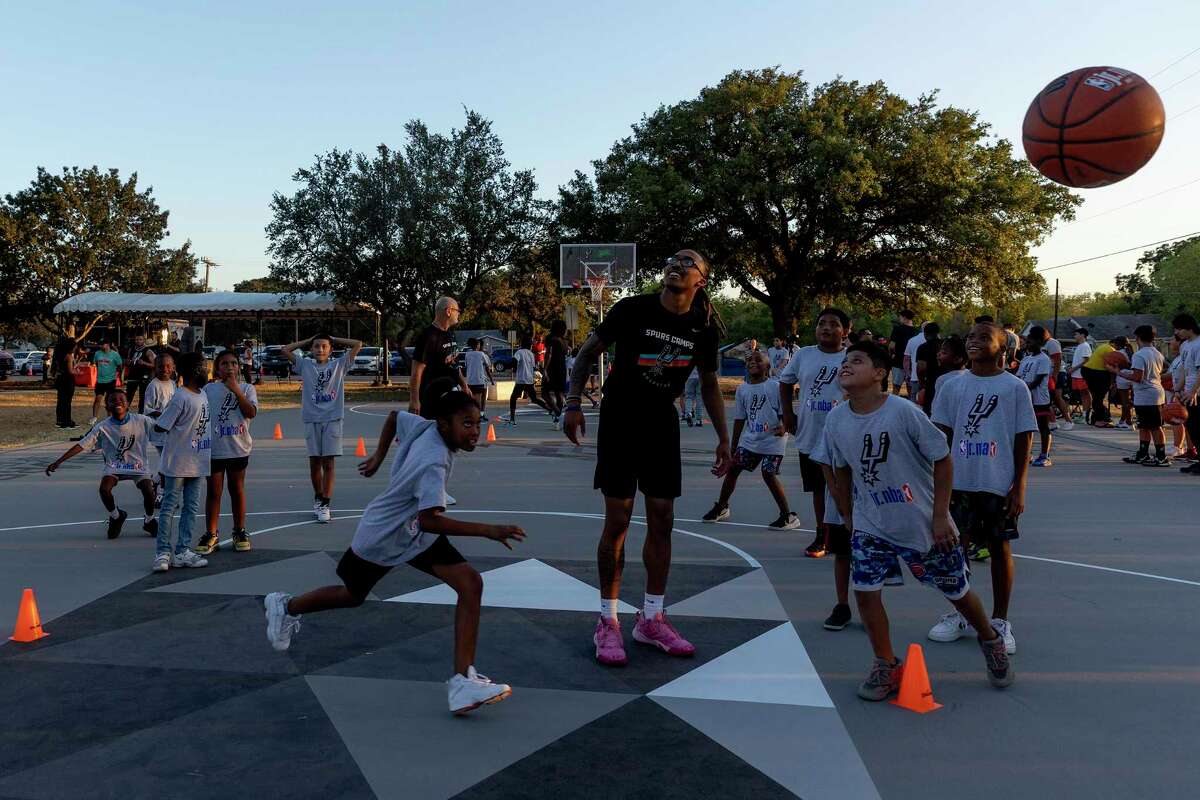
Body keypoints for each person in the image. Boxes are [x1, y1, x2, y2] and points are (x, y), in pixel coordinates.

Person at [264, 383, 525, 715]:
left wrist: (378, 456)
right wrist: (488, 530)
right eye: (467, 424)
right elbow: (431, 520)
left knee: (470, 583)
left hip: (413, 532)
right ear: (444, 424)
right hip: (384, 535)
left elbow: (392, 417)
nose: (475, 431)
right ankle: (286, 607)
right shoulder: (434, 461)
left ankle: (462, 682)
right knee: (352, 595)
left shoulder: (424, 426)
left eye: (478, 422)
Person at [813, 341, 1012, 700]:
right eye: (844, 361)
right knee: (866, 592)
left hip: (921, 522)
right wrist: (847, 514)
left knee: (958, 593)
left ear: (879, 373)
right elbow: (838, 469)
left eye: (856, 361)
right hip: (872, 522)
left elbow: (943, 459)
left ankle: (990, 638)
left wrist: (940, 516)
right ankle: (886, 664)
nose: (846, 366)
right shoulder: (836, 419)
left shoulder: (902, 412)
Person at [563, 248, 730, 667]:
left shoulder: (703, 328)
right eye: (672, 259)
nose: (676, 263)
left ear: (701, 281)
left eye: (688, 262)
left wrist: (724, 437)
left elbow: (709, 384)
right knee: (617, 521)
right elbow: (586, 352)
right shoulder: (632, 309)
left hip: (660, 426)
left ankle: (651, 617)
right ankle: (608, 621)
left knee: (662, 520)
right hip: (621, 423)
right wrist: (571, 403)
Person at [928, 322, 1035, 652]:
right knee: (956, 550)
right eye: (970, 337)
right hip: (958, 482)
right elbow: (940, 436)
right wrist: (934, 484)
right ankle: (961, 613)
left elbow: (1024, 439)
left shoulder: (1014, 388)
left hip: (997, 482)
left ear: (1003, 347)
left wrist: (1019, 487)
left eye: (984, 337)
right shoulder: (951, 386)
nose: (974, 341)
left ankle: (1000, 620)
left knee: (1000, 548)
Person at [778, 307, 850, 560]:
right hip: (810, 433)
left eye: (834, 324)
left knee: (846, 487)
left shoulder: (852, 357)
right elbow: (785, 382)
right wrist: (787, 414)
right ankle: (823, 534)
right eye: (822, 323)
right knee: (819, 489)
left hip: (844, 435)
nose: (827, 328)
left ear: (846, 331)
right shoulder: (804, 355)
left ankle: (852, 533)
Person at [702, 350, 798, 529]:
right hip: (751, 440)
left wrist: (784, 427)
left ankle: (788, 516)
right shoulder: (742, 389)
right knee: (733, 469)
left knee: (768, 473)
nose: (753, 362)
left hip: (773, 440)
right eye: (749, 360)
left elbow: (784, 413)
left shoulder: (773, 387)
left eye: (758, 360)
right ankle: (722, 507)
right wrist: (733, 445)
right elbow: (740, 418)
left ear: (768, 366)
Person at [45, 388, 158, 540]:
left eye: (121, 399)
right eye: (113, 400)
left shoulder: (142, 420)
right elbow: (82, 445)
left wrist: (164, 417)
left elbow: (161, 427)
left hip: (138, 465)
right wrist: (59, 461)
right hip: (115, 465)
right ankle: (116, 516)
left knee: (149, 491)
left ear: (128, 404)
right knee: (104, 489)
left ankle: (149, 520)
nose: (117, 402)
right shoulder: (102, 426)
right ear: (107, 407)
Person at [284, 332, 362, 522]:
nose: (320, 349)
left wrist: (334, 338)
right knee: (314, 462)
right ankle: (318, 497)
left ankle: (326, 503)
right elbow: (285, 350)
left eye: (324, 346)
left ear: (330, 349)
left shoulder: (338, 365)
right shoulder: (305, 365)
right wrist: (307, 340)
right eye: (316, 346)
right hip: (312, 418)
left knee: (328, 462)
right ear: (311, 349)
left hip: (332, 418)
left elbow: (358, 344)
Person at [152, 352, 212, 573]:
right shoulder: (181, 397)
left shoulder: (202, 395)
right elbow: (162, 425)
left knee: (191, 508)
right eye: (203, 367)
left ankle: (182, 550)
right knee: (169, 508)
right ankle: (163, 552)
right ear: (193, 371)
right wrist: (157, 420)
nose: (206, 370)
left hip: (197, 462)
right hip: (178, 462)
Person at [195, 350, 259, 555]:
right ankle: (211, 533)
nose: (229, 367)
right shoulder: (208, 389)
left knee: (236, 489)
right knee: (214, 492)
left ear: (239, 367)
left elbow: (251, 412)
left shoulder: (247, 388)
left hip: (238, 448)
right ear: (217, 368)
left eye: (233, 363)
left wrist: (235, 390)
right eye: (224, 364)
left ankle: (239, 531)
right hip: (214, 449)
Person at [1111, 326, 1168, 466]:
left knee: (1155, 426)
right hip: (1155, 392)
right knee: (1144, 426)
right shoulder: (1157, 353)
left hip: (1147, 394)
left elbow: (1137, 377)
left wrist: (1119, 372)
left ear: (1137, 338)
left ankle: (1161, 457)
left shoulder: (1139, 355)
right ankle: (1143, 454)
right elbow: (1162, 370)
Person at [409, 297, 470, 418]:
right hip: (432, 398)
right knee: (432, 433)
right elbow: (416, 371)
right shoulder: (428, 336)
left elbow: (454, 364)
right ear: (448, 311)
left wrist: (464, 386)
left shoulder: (450, 334)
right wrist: (414, 400)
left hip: (450, 395)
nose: (458, 314)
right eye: (457, 311)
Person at [143, 351, 177, 508]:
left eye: (168, 366)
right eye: (161, 366)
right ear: (155, 368)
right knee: (167, 462)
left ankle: (153, 482)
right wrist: (164, 415)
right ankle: (163, 494)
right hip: (158, 430)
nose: (165, 369)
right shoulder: (153, 386)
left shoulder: (173, 384)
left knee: (170, 460)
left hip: (172, 429)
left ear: (173, 368)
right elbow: (147, 409)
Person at [1018, 326, 1054, 467]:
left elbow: (1037, 381)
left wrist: (1023, 389)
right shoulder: (1026, 359)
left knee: (1043, 426)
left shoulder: (1044, 359)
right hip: (1027, 398)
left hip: (1039, 399)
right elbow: (1019, 377)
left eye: (1030, 342)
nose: (1027, 344)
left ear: (1039, 342)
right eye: (1027, 342)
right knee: (1027, 427)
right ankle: (1028, 454)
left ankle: (1045, 455)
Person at [1171, 315, 1200, 475]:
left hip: (1196, 393)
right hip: (1186, 392)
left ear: (1189, 327)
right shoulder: (1185, 346)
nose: (1176, 332)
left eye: (1178, 329)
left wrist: (1194, 391)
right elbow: (1184, 369)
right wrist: (1178, 389)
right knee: (1192, 428)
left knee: (1197, 427)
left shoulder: (1199, 344)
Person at [506, 334, 548, 424]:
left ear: (522, 344)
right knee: (534, 399)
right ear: (529, 345)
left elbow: (514, 361)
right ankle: (550, 409)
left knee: (513, 398)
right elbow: (533, 367)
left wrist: (509, 366)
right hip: (529, 380)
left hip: (521, 380)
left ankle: (512, 419)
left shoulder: (519, 352)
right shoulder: (531, 354)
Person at [1080, 337, 1115, 427]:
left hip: (1088, 370)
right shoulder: (1110, 349)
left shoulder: (1104, 346)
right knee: (1098, 397)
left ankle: (1096, 418)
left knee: (1097, 396)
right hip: (1096, 372)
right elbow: (1109, 366)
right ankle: (1099, 419)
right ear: (1115, 343)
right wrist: (1114, 378)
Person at [89, 339, 124, 425]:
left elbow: (120, 365)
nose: (100, 346)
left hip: (111, 380)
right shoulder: (97, 354)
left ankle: (110, 417)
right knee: (98, 399)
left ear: (108, 344)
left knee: (109, 400)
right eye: (100, 344)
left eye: (102, 344)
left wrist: (117, 375)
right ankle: (94, 417)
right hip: (100, 380)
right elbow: (96, 364)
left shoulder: (115, 354)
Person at [542, 320, 569, 428]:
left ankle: (557, 412)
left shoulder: (550, 338)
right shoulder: (565, 341)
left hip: (552, 368)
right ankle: (557, 419)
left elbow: (549, 353)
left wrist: (544, 370)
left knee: (544, 393)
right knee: (559, 394)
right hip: (562, 368)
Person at [50, 335, 78, 429]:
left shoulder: (58, 355)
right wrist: (78, 372)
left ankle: (60, 420)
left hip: (60, 379)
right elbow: (70, 371)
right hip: (67, 379)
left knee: (61, 400)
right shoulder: (68, 356)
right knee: (67, 401)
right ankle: (67, 421)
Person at [915, 322, 943, 415]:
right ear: (938, 332)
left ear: (925, 333)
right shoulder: (945, 346)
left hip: (931, 383)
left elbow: (921, 368)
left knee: (929, 412)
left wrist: (921, 383)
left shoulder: (923, 348)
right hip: (946, 382)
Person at [126, 333, 157, 413]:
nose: (138, 341)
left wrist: (144, 363)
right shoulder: (131, 349)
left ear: (144, 341)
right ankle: (124, 412)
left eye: (140, 339)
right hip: (132, 375)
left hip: (144, 376)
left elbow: (154, 365)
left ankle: (141, 414)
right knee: (128, 395)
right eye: (136, 339)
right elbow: (128, 361)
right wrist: (128, 362)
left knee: (142, 396)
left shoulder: (148, 351)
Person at [463, 338, 493, 420]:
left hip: (470, 380)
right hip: (480, 380)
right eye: (479, 344)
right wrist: (491, 379)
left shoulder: (467, 354)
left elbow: (466, 366)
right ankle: (480, 415)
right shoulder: (481, 354)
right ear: (477, 345)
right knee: (481, 398)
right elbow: (487, 367)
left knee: (472, 398)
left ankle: (472, 414)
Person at [1110, 336, 1135, 430]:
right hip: (1132, 376)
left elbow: (1113, 369)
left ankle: (1129, 422)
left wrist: (1112, 382)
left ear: (1117, 344)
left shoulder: (1116, 353)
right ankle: (1123, 420)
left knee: (1125, 401)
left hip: (1122, 376)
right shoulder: (1131, 352)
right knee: (1131, 401)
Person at [1068, 329, 1093, 423]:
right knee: (1082, 394)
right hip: (1077, 374)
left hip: (1082, 374)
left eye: (1076, 334)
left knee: (1085, 393)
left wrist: (1073, 369)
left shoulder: (1085, 346)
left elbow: (1086, 360)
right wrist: (1072, 367)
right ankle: (1084, 414)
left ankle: (1087, 415)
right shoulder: (1080, 346)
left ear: (1082, 335)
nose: (1074, 336)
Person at [902, 322, 928, 400]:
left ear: (921, 328)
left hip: (915, 377)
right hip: (932, 379)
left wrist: (908, 374)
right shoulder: (938, 341)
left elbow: (906, 359)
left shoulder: (912, 340)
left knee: (914, 401)